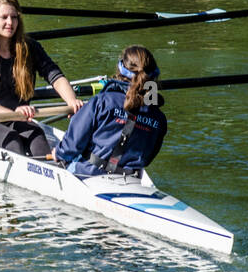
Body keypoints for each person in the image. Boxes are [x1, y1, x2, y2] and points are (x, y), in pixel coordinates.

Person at [0, 0, 83, 157]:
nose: (10, 23)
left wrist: (72, 100)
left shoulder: (29, 47)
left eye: (14, 17)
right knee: (13, 142)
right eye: (4, 17)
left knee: (38, 139)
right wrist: (12, 113)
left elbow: (55, 76)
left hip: (17, 117)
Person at [54, 45, 167, 177]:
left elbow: (71, 147)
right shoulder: (159, 118)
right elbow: (148, 158)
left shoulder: (101, 102)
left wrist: (58, 152)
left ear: (120, 68)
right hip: (130, 180)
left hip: (87, 174)